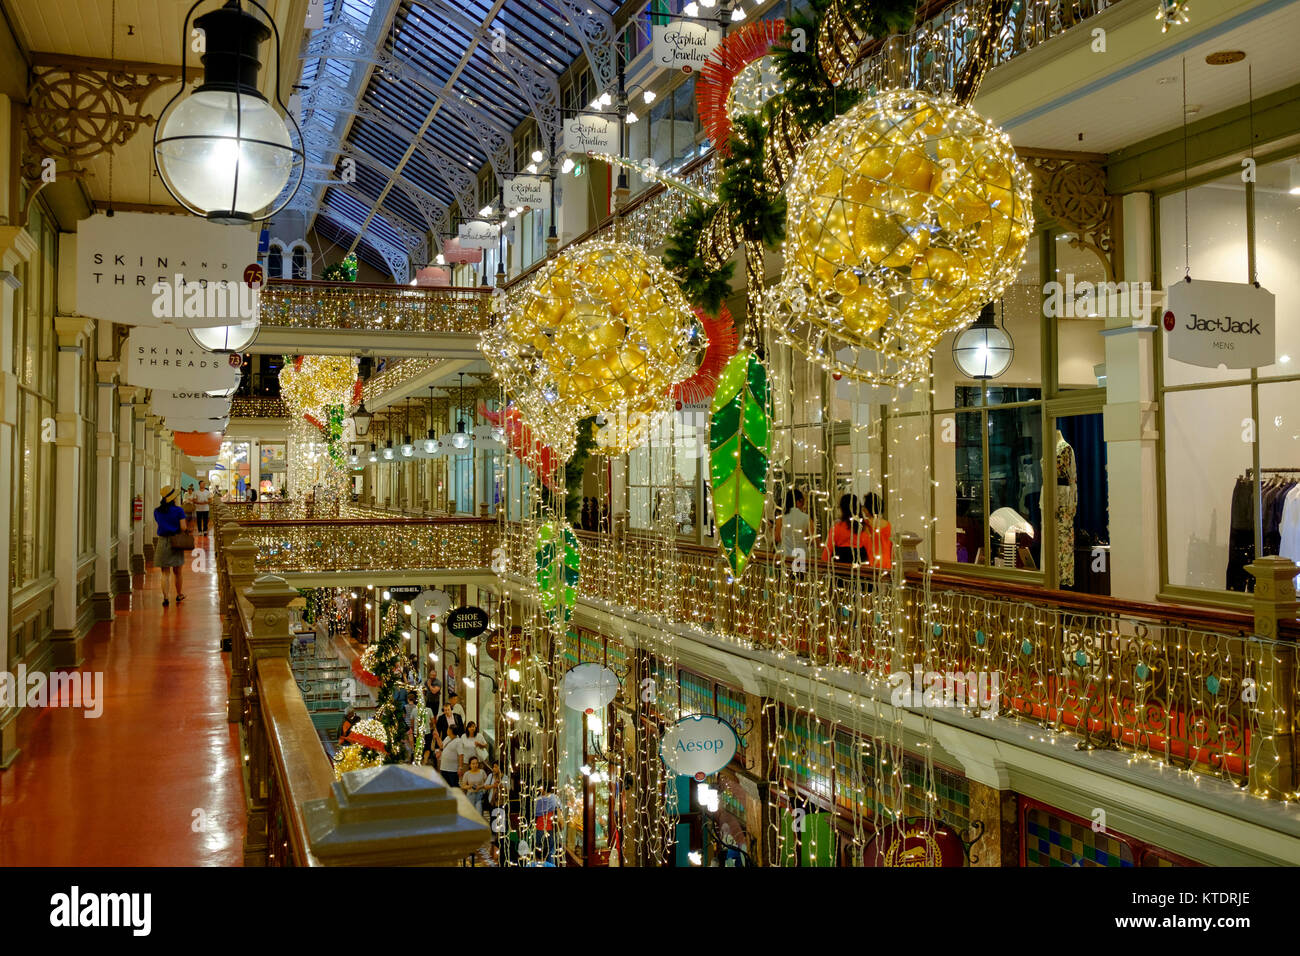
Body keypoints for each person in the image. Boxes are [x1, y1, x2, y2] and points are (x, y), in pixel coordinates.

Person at [153, 485, 190, 607]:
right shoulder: (178, 510)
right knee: (177, 571)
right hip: (176, 541)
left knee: (165, 573)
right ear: (173, 498)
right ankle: (179, 594)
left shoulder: (157, 511)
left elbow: (160, 523)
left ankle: (166, 597)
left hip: (162, 541)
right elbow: (183, 527)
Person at [822, 493, 864, 564]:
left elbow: (826, 555)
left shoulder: (837, 528)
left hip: (840, 571)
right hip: (863, 571)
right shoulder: (865, 528)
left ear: (843, 509)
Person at [775, 489, 812, 566]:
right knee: (799, 577)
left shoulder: (781, 517)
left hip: (784, 555)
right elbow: (813, 538)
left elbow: (777, 537)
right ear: (799, 501)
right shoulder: (806, 518)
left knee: (784, 576)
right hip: (801, 555)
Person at [860, 492, 893, 572]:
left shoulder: (865, 524)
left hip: (871, 563)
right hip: (886, 562)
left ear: (868, 508)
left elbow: (864, 542)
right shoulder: (888, 524)